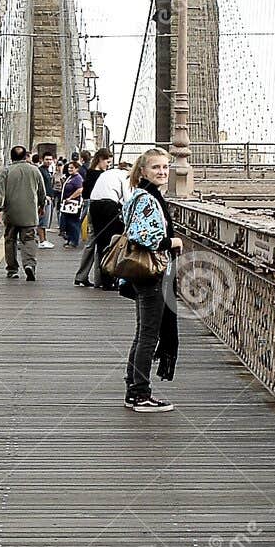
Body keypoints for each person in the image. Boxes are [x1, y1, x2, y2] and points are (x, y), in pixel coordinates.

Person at [119, 147, 181, 412]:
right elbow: (142, 235)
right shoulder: (147, 199)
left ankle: (133, 390)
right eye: (156, 167)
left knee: (142, 333)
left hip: (143, 273)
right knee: (148, 335)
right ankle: (141, 394)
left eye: (166, 167)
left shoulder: (140, 195)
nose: (162, 172)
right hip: (151, 272)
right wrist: (172, 241)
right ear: (143, 170)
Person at [0, 146, 46, 282]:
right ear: (25, 157)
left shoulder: (6, 171)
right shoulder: (35, 170)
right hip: (29, 213)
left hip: (11, 213)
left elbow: (1, 192)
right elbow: (42, 191)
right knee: (29, 239)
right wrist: (42, 205)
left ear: (11, 157)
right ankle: (29, 264)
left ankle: (12, 269)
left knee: (10, 240)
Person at [78, 153, 129, 290]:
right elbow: (127, 199)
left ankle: (100, 279)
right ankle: (107, 280)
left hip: (94, 206)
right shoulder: (125, 176)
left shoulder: (108, 173)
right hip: (108, 206)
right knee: (112, 242)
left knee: (101, 242)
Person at [58, 161, 85, 248]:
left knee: (73, 222)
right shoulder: (70, 177)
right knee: (68, 222)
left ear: (77, 169)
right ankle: (69, 239)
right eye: (69, 168)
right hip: (67, 205)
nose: (69, 169)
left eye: (72, 168)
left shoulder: (77, 178)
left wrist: (71, 197)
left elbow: (80, 189)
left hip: (73, 204)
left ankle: (74, 241)